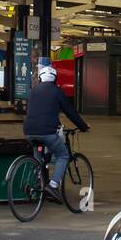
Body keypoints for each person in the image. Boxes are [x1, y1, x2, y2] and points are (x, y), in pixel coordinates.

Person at [23, 64, 90, 199]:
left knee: (39, 156)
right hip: (46, 132)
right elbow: (70, 112)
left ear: (41, 79)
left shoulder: (34, 90)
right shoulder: (56, 91)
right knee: (63, 155)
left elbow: (38, 112)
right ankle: (52, 186)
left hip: (29, 131)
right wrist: (83, 126)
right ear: (55, 79)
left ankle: (37, 181)